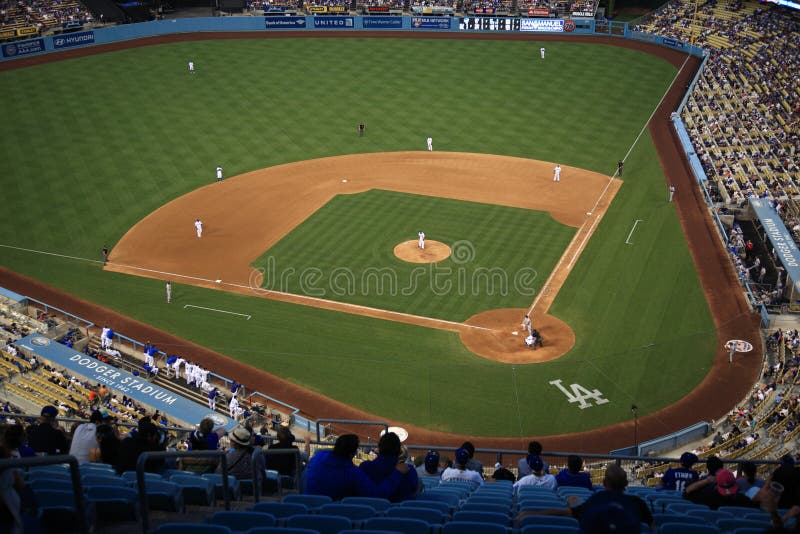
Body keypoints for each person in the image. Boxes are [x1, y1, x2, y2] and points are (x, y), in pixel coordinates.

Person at [304, 434, 409, 500]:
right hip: (332, 511)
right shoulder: (353, 473)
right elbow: (378, 494)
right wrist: (397, 473)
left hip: (307, 504)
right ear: (352, 454)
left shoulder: (318, 456)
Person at [359, 432, 419, 502]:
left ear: (379, 448)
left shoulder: (365, 467)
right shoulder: (409, 470)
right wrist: (397, 474)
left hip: (371, 507)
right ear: (399, 451)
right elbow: (414, 491)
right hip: (401, 509)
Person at [685, 467, 759, 510]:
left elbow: (687, 492)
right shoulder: (743, 500)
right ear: (735, 483)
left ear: (717, 483)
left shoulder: (708, 497)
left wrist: (706, 481)